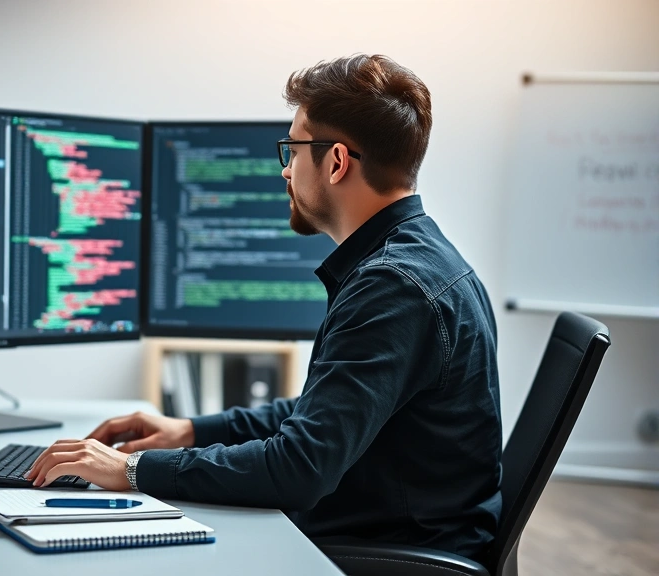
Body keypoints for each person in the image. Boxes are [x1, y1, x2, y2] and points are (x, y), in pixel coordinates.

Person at [27, 54, 502, 561]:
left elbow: (298, 469)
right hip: (389, 531)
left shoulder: (393, 287)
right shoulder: (418, 260)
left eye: (292, 150)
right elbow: (323, 413)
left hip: (388, 555)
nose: (284, 169)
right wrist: (190, 431)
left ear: (337, 162)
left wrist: (130, 471)